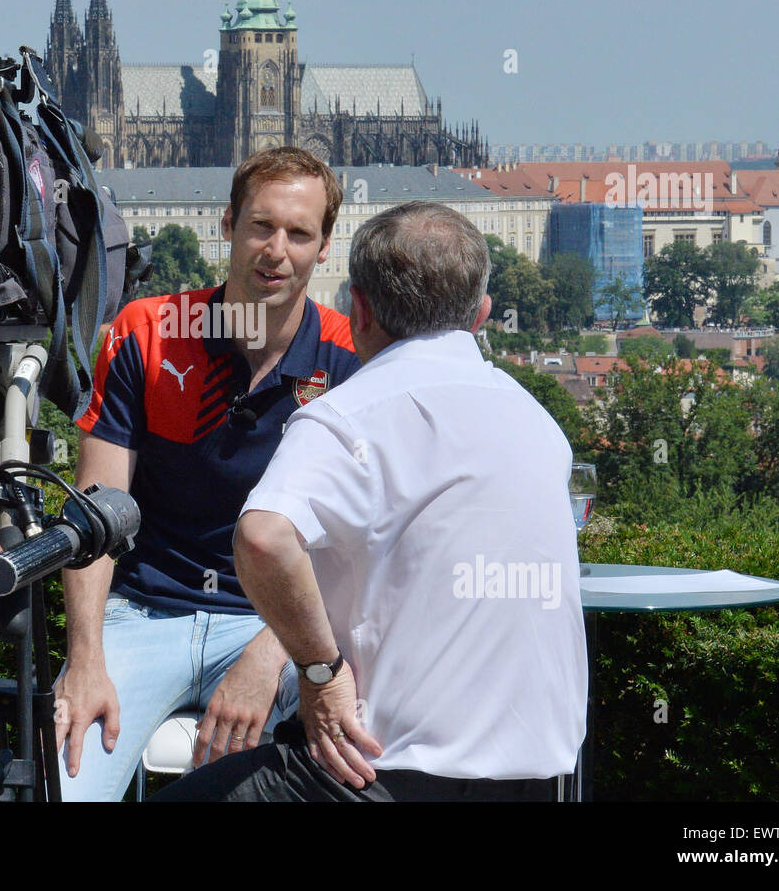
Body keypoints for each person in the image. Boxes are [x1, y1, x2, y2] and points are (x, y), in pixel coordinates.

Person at [152, 201, 588, 802]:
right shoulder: (540, 422)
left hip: (378, 774)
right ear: (482, 315)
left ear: (357, 308)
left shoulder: (348, 414)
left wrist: (320, 672)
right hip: (541, 777)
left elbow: (263, 537)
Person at [54, 147, 362, 800]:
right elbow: (94, 515)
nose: (276, 249)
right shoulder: (147, 334)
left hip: (269, 624)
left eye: (298, 233)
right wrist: (85, 659)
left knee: (339, 756)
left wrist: (280, 647)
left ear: (324, 247)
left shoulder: (348, 358)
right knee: (65, 782)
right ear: (227, 225)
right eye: (261, 225)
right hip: (143, 613)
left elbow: (353, 545)